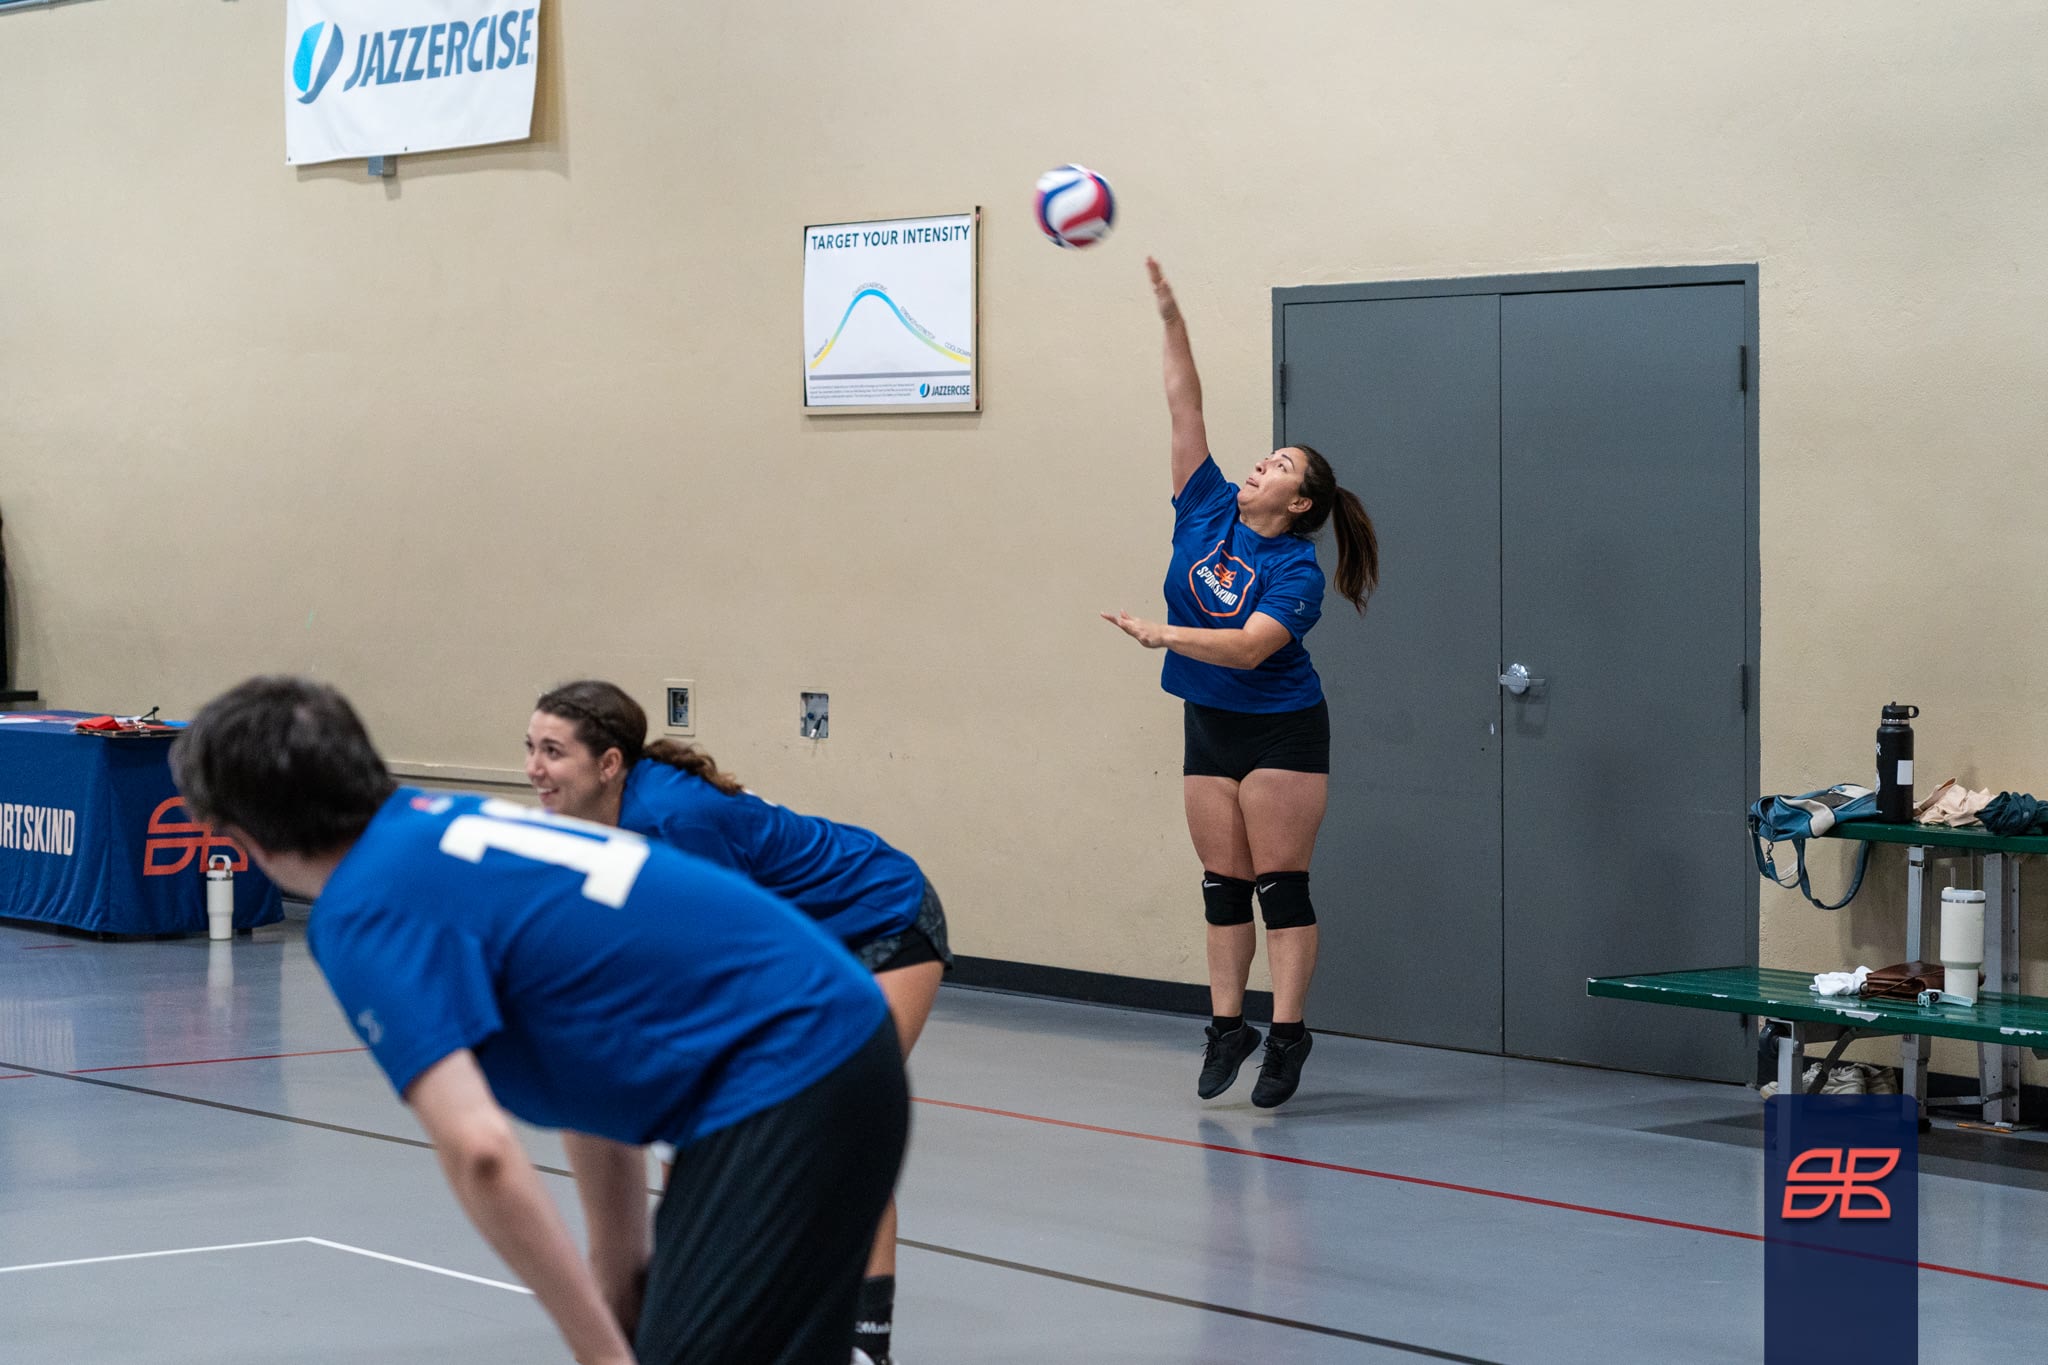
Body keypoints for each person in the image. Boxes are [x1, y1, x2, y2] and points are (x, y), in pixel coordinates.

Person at [170, 676, 906, 1365]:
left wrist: (600, 1350)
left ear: (242, 832)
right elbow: (586, 1067)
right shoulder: (431, 825)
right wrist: (616, 1273)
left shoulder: (365, 903)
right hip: (829, 1042)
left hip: (790, 1073)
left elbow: (480, 1149)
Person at [524, 679, 949, 1365]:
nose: (535, 767)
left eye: (554, 751)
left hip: (884, 919)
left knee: (841, 1130)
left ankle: (869, 1343)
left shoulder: (672, 820)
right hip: (804, 944)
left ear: (608, 763)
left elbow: (732, 953)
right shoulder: (588, 818)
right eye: (531, 748)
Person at [1101, 258, 1379, 1109]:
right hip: (1208, 722)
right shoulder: (1206, 504)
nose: (1263, 464)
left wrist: (1165, 633)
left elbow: (1251, 648)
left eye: (1281, 464)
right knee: (1222, 884)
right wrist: (1170, 316)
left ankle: (1288, 1034)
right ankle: (1229, 1024)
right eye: (1266, 456)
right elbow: (1185, 402)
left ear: (1301, 502)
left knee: (1278, 885)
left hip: (1281, 726)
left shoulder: (1294, 569)